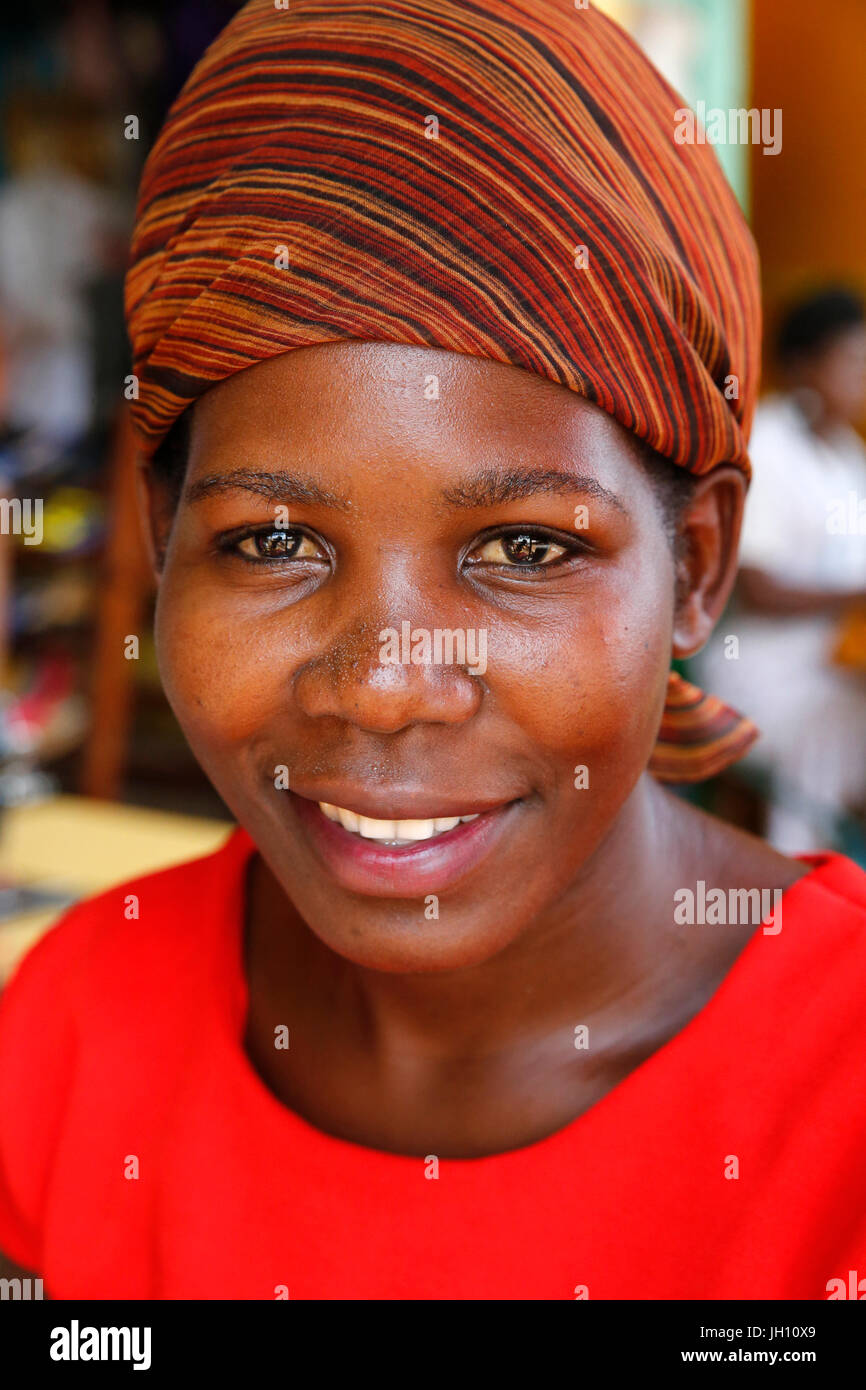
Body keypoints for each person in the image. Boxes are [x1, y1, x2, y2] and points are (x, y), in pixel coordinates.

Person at [1, 0, 865, 1301]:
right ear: (163, 539)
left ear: (693, 566)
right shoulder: (74, 1017)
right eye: (271, 543)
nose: (387, 684)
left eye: (522, 547)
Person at [695, 289, 866, 853]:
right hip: (765, 676)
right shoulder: (767, 444)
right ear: (804, 364)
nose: (862, 376)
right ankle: (805, 874)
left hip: (833, 667)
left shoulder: (846, 456)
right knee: (836, 724)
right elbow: (759, 588)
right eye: (851, 360)